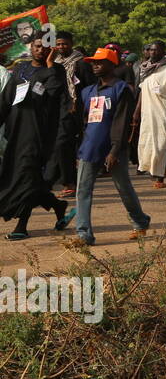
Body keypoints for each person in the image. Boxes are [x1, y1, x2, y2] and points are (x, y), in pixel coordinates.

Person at [73, 48, 151, 246]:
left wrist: (115, 150)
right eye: (93, 62)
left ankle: (140, 220)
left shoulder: (122, 89)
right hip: (89, 148)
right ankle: (84, 234)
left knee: (123, 187)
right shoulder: (87, 91)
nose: (95, 65)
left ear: (112, 65)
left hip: (113, 150)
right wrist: (80, 149)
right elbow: (84, 123)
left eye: (100, 62)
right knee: (82, 190)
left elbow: (122, 122)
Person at [0, 39, 73, 240]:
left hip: (38, 134)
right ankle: (58, 205)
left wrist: (51, 65)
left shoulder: (55, 70)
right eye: (37, 47)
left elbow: (54, 92)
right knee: (25, 176)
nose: (40, 50)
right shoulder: (21, 69)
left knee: (27, 176)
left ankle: (21, 226)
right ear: (30, 48)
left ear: (51, 50)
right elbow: (6, 100)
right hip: (16, 132)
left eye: (45, 48)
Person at [48, 29, 92, 199]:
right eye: (58, 44)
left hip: (78, 110)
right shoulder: (55, 63)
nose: (61, 47)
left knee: (74, 145)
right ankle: (67, 182)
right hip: (60, 110)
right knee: (61, 145)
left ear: (71, 44)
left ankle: (76, 182)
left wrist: (85, 109)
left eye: (64, 44)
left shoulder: (81, 63)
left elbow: (89, 87)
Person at [133, 41, 166, 188]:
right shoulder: (145, 69)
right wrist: (136, 112)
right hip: (147, 114)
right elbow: (142, 92)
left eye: (156, 50)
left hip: (163, 113)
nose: (153, 53)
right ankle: (154, 172)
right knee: (147, 144)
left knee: (161, 146)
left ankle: (160, 177)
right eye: (151, 50)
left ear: (163, 52)